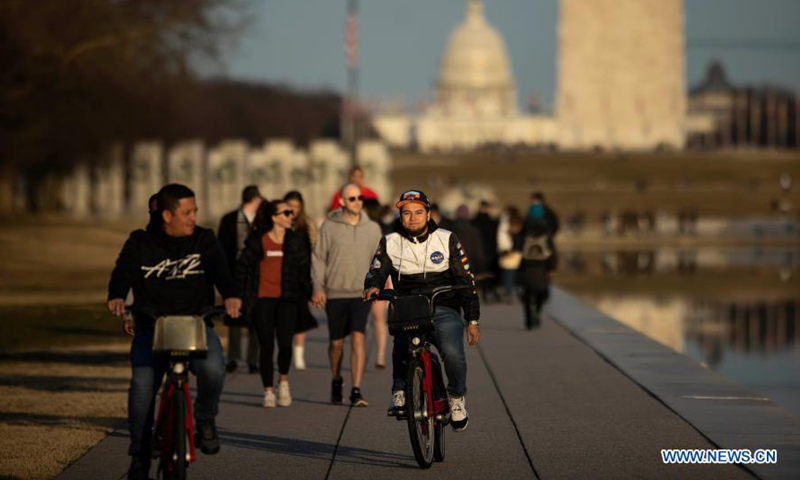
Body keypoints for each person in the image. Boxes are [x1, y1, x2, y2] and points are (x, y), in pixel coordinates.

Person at [107, 183, 242, 480]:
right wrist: (117, 294)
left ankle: (205, 418)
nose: (194, 217)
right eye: (187, 212)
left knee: (215, 370)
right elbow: (122, 271)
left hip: (195, 324)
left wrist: (231, 294)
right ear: (167, 215)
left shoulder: (204, 239)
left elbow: (221, 271)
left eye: (195, 211)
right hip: (150, 327)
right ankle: (139, 455)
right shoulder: (140, 242)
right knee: (142, 389)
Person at [363, 190, 481, 432]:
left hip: (443, 306)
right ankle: (399, 392)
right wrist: (372, 286)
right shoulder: (390, 241)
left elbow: (466, 280)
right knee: (402, 344)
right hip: (408, 306)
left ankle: (456, 398)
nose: (413, 218)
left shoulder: (447, 239)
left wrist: (472, 319)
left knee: (453, 352)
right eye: (407, 213)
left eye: (418, 212)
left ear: (428, 214)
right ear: (401, 216)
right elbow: (376, 269)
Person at [235, 199, 311, 408]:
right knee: (266, 346)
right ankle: (268, 391)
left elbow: (304, 270)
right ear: (274, 217)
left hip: (287, 299)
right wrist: (237, 296)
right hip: (262, 300)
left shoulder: (295, 240)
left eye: (291, 212)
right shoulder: (257, 240)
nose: (290, 216)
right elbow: (242, 268)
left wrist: (311, 293)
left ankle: (283, 381)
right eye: (286, 213)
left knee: (285, 344)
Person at [312, 183, 382, 406]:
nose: (357, 202)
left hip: (361, 293)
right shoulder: (329, 227)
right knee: (336, 344)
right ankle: (335, 379)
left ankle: (356, 390)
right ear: (341, 201)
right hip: (334, 292)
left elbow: (378, 260)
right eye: (352, 199)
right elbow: (319, 257)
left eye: (360, 198)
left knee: (358, 337)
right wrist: (317, 287)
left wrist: (378, 283)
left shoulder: (372, 228)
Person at [217, 185, 263, 374]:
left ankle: (253, 359)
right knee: (234, 316)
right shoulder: (230, 220)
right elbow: (222, 247)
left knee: (256, 317)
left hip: (257, 275)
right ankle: (233, 357)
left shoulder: (262, 220)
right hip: (235, 273)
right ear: (255, 199)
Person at [283, 190, 319, 370]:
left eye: (296, 207)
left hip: (303, 277)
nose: (293, 210)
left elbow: (316, 249)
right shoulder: (280, 223)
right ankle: (286, 351)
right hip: (283, 277)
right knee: (285, 318)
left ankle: (298, 354)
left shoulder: (307, 224)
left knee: (301, 316)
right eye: (290, 206)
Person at [516, 202, 557, 329]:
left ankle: (529, 320)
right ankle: (537, 313)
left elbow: (518, 247)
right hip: (542, 267)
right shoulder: (547, 230)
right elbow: (552, 252)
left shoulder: (524, 229)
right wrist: (551, 267)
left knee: (527, 294)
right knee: (541, 293)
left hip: (527, 266)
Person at [472, 200, 500, 303]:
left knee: (479, 273)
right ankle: (489, 291)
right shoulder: (491, 222)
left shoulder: (474, 221)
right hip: (489, 250)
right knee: (488, 273)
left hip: (478, 250)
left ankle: (482, 291)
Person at [497, 205, 524, 302]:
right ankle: (510, 291)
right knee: (511, 273)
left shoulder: (505, 222)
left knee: (508, 273)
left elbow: (502, 237)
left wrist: (505, 249)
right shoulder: (518, 221)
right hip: (515, 251)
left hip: (509, 251)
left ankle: (508, 292)